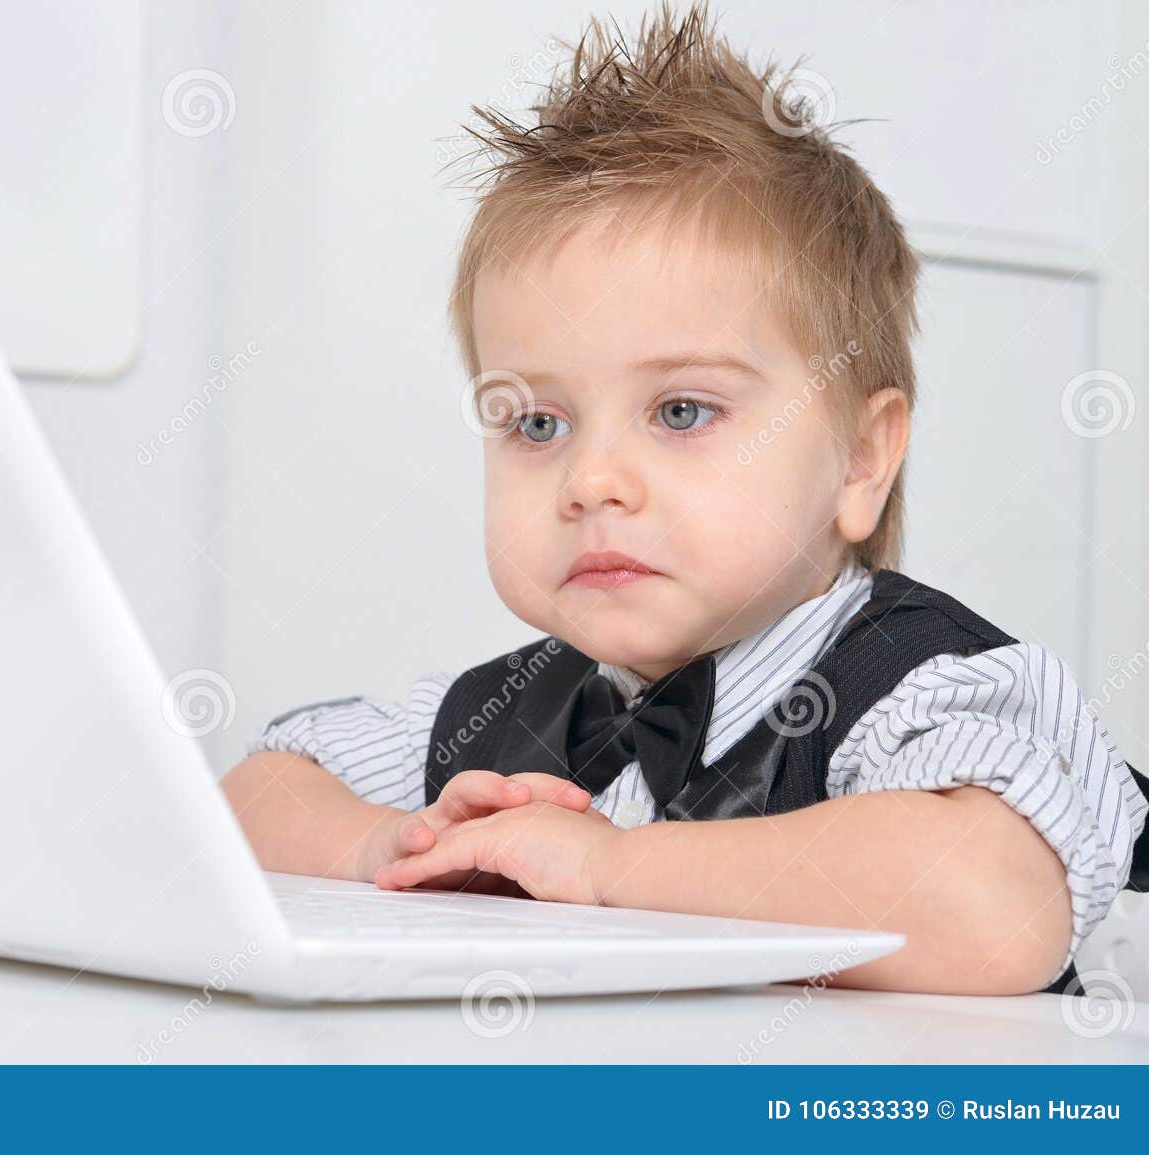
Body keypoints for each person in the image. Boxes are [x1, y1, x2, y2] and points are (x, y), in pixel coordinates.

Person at [220, 1, 1147, 996]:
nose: (590, 481)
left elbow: (989, 908)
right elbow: (247, 801)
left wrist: (610, 867)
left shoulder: (927, 690)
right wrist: (385, 847)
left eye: (680, 410)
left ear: (859, 463)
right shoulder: (503, 714)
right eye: (539, 424)